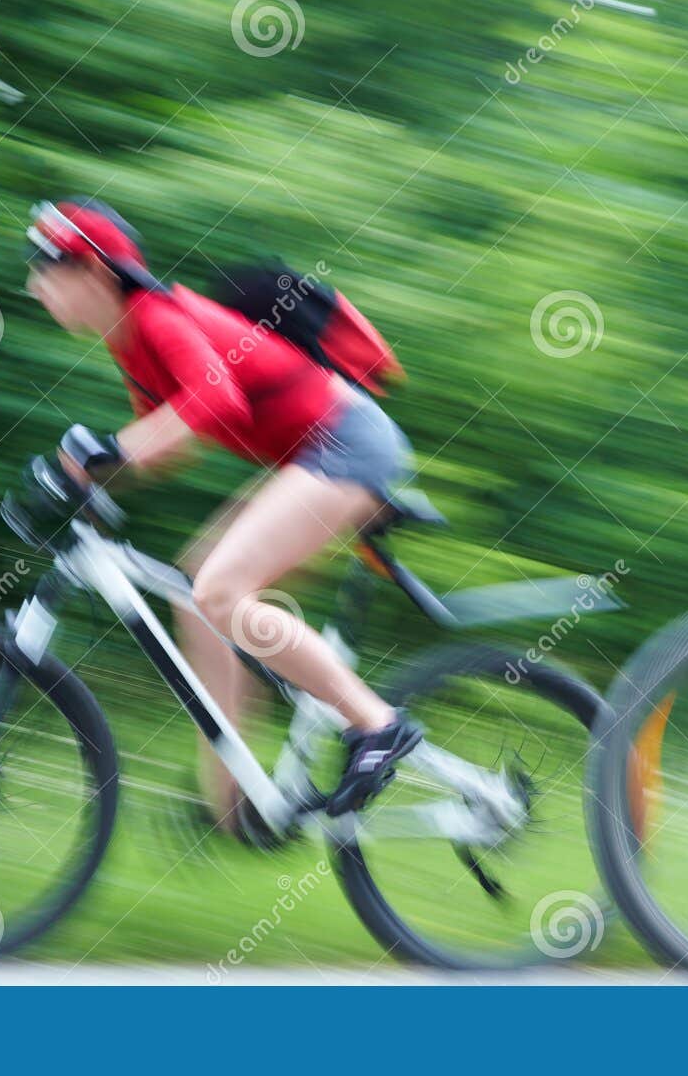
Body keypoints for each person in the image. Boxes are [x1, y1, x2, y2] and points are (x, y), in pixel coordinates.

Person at [23, 197, 422, 832]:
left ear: (94, 271)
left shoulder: (157, 316)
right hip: (314, 454)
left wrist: (110, 449)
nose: (33, 286)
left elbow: (216, 401)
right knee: (195, 595)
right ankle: (236, 803)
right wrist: (87, 475)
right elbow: (171, 441)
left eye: (45, 269)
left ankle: (377, 725)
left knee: (221, 591)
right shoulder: (130, 341)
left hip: (346, 444)